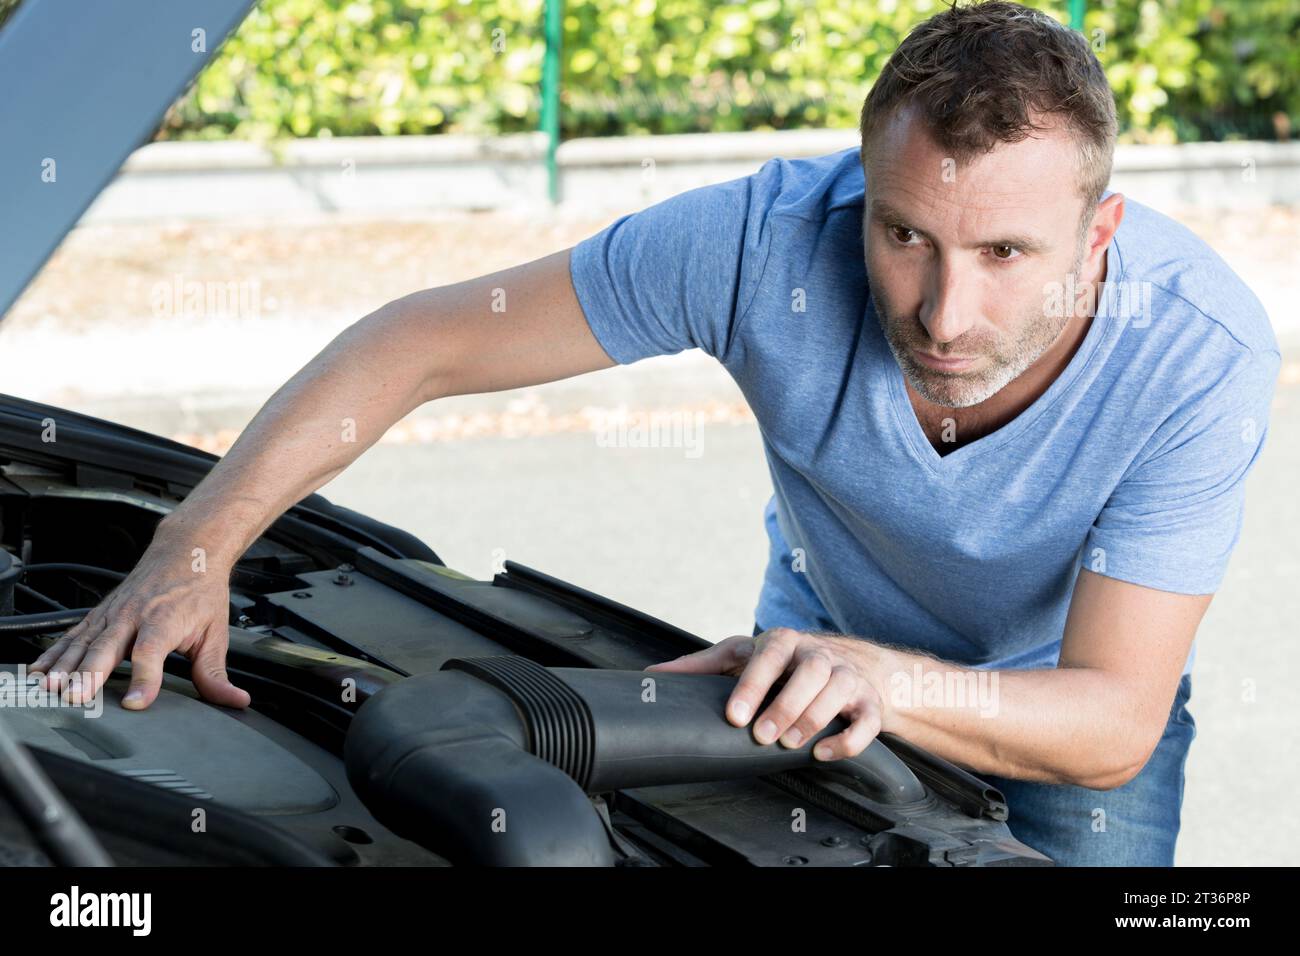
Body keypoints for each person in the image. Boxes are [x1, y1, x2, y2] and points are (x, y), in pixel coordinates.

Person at [32, 0, 1279, 866]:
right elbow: (423, 341)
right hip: (813, 644)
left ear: (1098, 237)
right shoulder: (758, 242)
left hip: (1055, 699)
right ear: (860, 190)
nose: (946, 311)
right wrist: (197, 545)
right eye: (904, 236)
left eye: (1007, 253)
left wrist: (884, 678)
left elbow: (1111, 719)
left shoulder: (1194, 353)